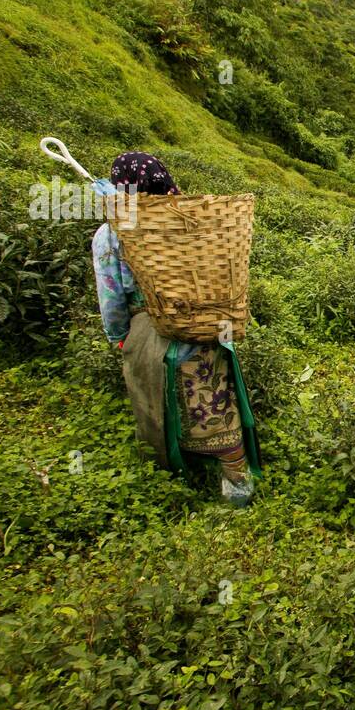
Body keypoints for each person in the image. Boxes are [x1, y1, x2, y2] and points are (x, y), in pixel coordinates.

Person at [91, 152, 260, 506]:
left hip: (151, 336)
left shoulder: (111, 234)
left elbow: (111, 297)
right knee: (216, 406)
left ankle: (171, 488)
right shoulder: (191, 217)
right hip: (206, 327)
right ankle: (238, 491)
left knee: (159, 410)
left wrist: (119, 337)